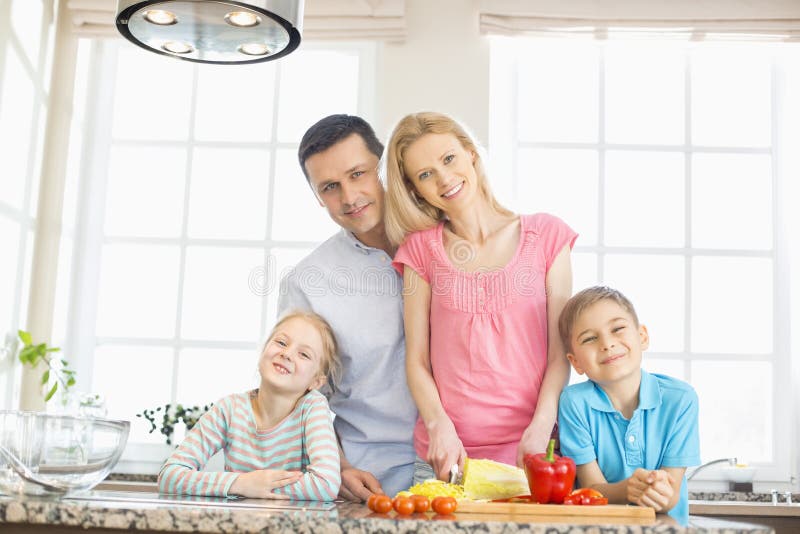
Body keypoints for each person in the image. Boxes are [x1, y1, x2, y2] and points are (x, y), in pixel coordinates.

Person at [384, 111, 576, 482]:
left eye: (449, 158)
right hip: (446, 459)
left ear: (471, 153)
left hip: (532, 454)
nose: (443, 178)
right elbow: (417, 361)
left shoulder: (548, 237)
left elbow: (559, 355)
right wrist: (439, 427)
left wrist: (541, 427)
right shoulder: (419, 251)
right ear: (414, 189)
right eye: (425, 174)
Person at [277, 115, 418, 500]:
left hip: (473, 476)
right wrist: (338, 470)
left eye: (359, 174)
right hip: (372, 485)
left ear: (384, 167)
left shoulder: (450, 241)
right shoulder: (307, 283)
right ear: (317, 197)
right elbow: (297, 397)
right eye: (331, 187)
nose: (350, 197)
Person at [158, 310, 341, 500]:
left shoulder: (313, 408)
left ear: (316, 382)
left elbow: (326, 484)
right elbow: (169, 476)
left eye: (303, 354)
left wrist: (260, 488)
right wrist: (241, 484)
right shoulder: (229, 409)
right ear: (263, 350)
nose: (286, 353)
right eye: (281, 342)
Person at [557, 286, 700, 522]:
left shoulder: (681, 399)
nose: (607, 343)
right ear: (576, 362)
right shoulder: (574, 403)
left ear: (642, 337)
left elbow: (671, 495)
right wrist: (627, 489)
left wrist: (660, 491)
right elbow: (591, 487)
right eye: (590, 338)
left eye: (618, 329)